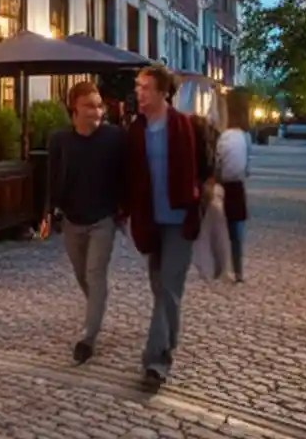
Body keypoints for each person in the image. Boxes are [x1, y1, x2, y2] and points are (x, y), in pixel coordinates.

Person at [121, 65, 200, 385]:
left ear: (163, 92)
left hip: (179, 221)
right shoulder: (136, 129)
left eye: (146, 88)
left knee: (168, 286)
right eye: (138, 87)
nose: (139, 93)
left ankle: (155, 360)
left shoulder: (182, 125)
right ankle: (168, 342)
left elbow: (199, 167)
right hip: (150, 220)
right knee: (162, 290)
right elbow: (130, 174)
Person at [47, 81, 126, 364]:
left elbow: (129, 172)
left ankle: (88, 337)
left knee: (95, 274)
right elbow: (52, 177)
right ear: (74, 110)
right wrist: (48, 212)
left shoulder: (115, 137)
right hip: (72, 220)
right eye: (89, 106)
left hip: (103, 220)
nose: (96, 111)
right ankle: (98, 304)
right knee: (83, 275)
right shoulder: (60, 140)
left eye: (99, 105)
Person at [215, 99, 253, 282]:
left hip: (223, 187)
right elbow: (247, 168)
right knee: (236, 234)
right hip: (237, 187)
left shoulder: (224, 137)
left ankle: (218, 268)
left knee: (219, 229)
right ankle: (238, 271)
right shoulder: (245, 137)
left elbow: (218, 161)